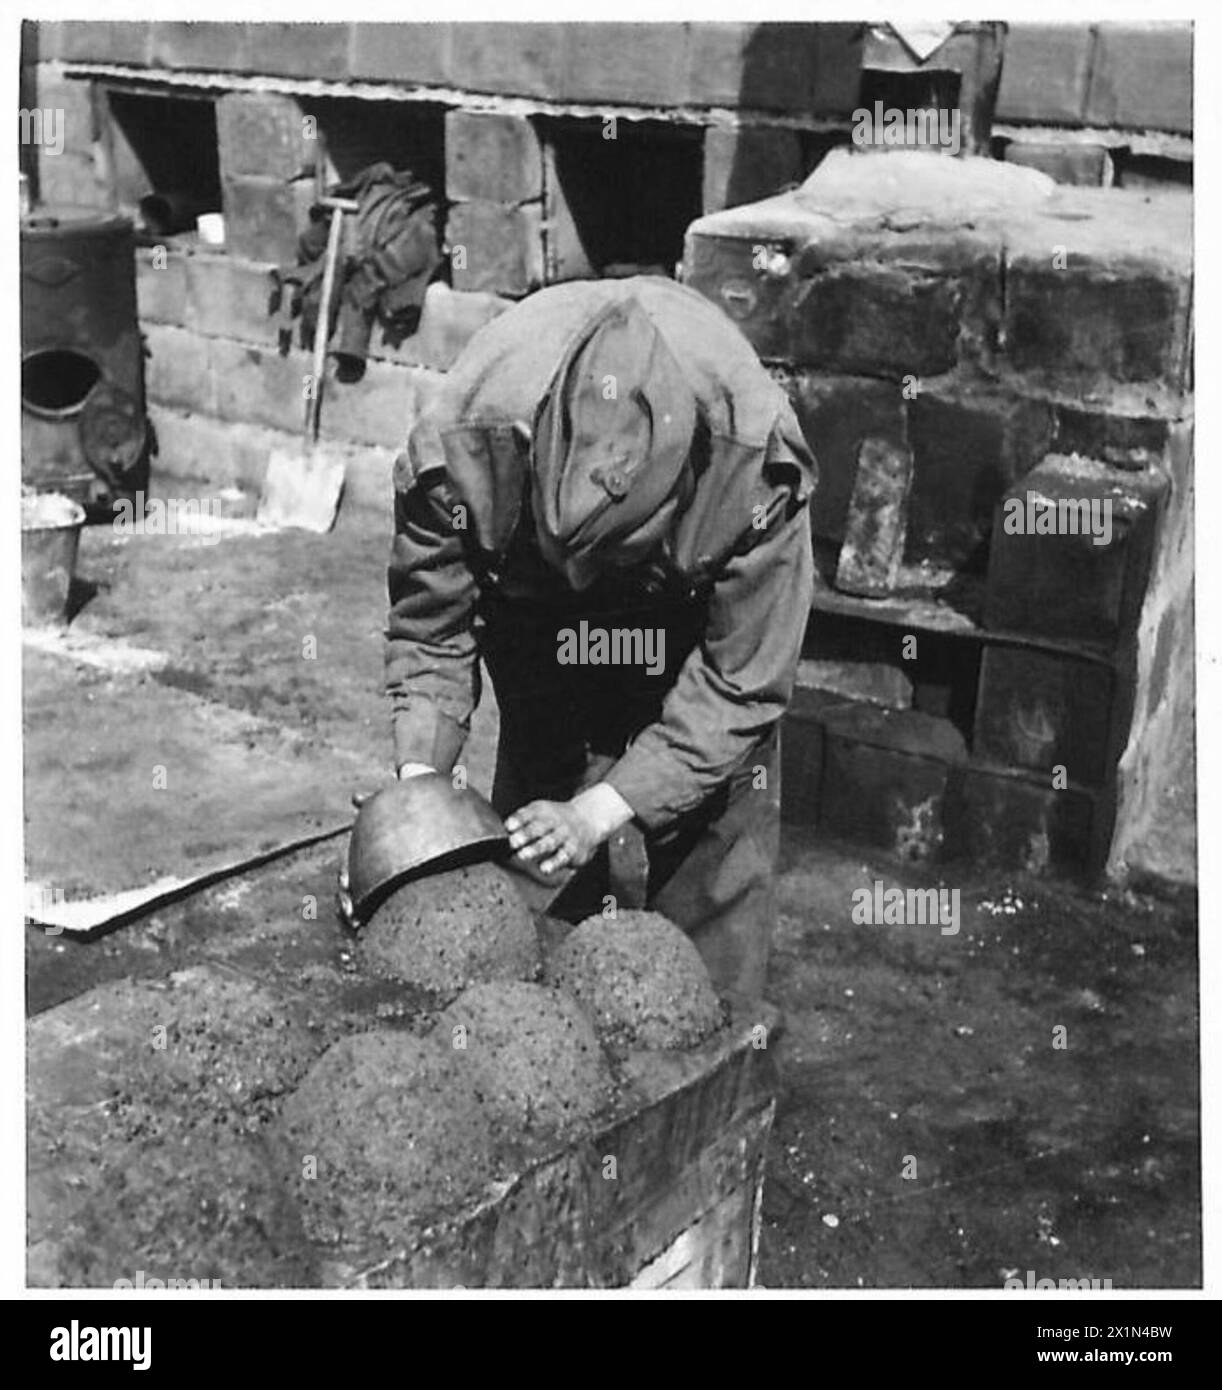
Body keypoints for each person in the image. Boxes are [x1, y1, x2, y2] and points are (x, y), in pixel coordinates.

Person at [383, 275, 816, 997]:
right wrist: (417, 797)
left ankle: (707, 1067)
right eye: (568, 555)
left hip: (684, 635)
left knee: (707, 932)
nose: (586, 584)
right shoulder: (462, 447)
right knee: (531, 882)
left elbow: (740, 682)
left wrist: (601, 811)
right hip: (535, 628)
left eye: (609, 556)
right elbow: (431, 630)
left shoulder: (753, 463)